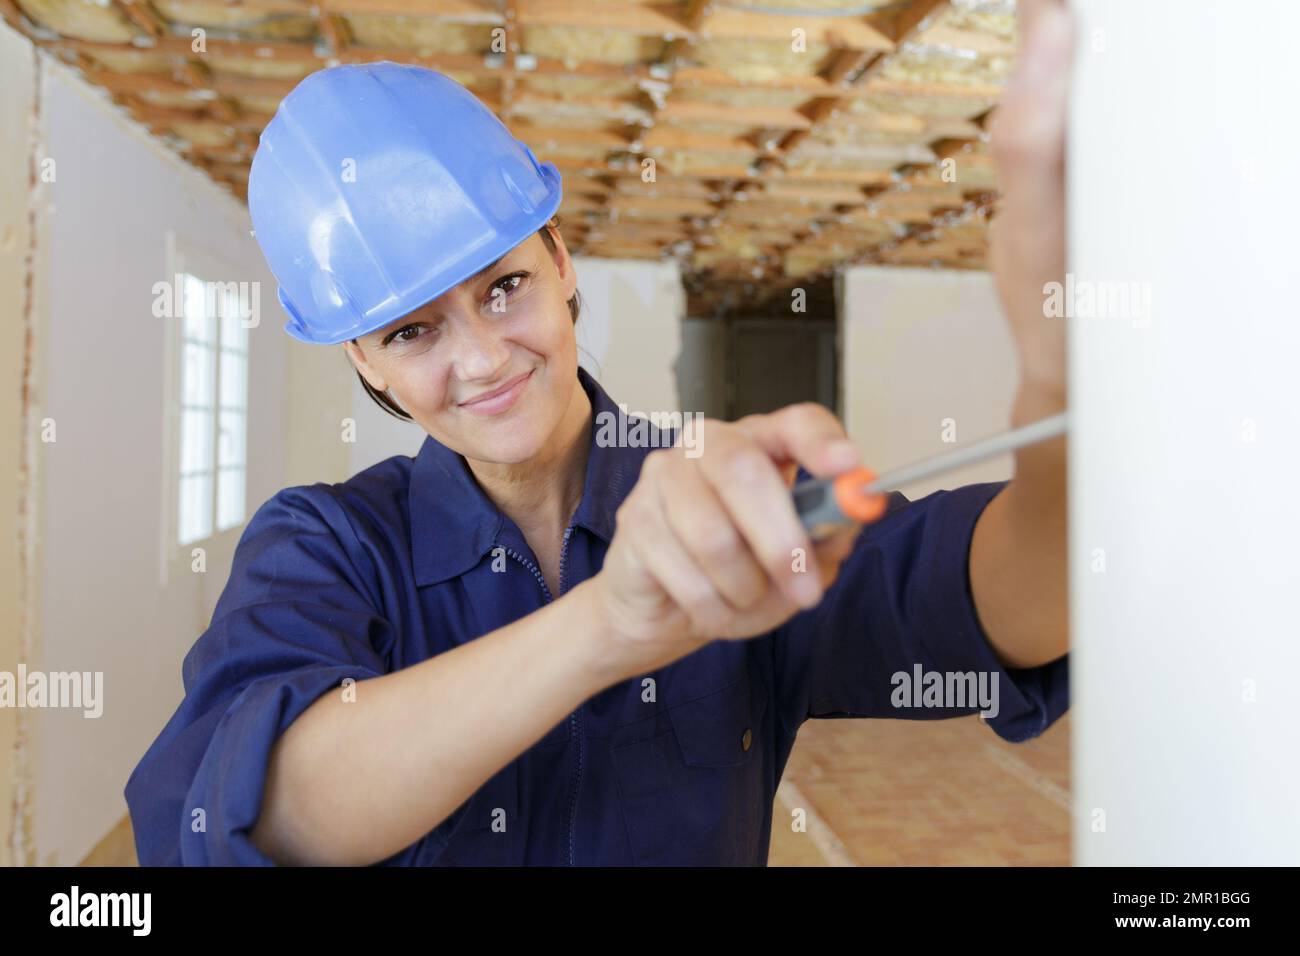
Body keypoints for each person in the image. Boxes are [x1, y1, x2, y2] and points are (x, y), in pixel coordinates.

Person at [125, 0, 1074, 866]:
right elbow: (252, 815)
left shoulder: (727, 504)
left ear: (561, 259)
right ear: (365, 361)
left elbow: (1011, 598)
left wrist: (1053, 371)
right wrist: (609, 626)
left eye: (505, 287)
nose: (487, 357)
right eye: (413, 330)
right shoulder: (328, 549)